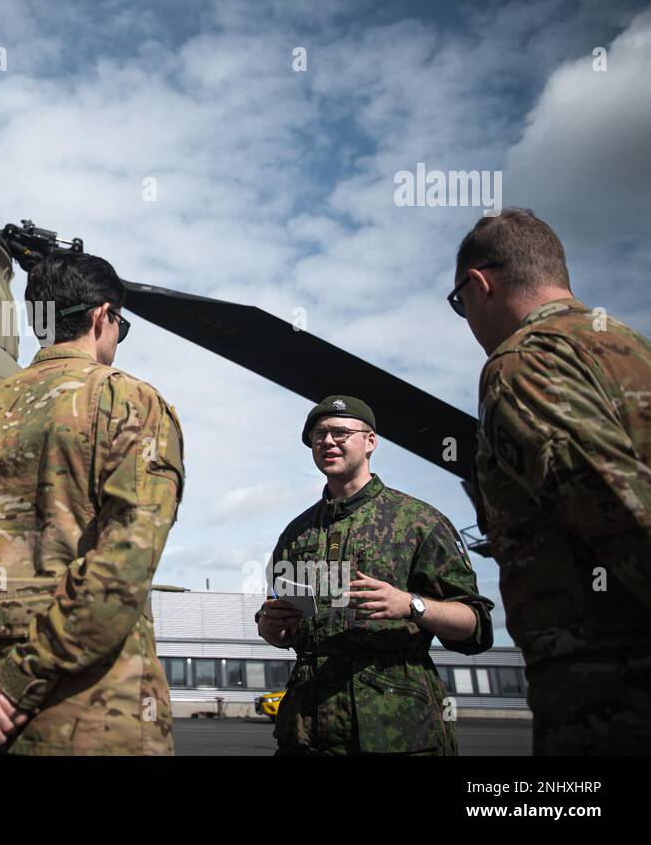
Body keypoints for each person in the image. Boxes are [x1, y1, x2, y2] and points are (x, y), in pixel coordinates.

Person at [0, 251, 185, 755]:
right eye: (122, 324)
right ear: (102, 316)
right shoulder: (130, 404)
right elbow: (122, 567)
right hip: (100, 723)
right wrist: (11, 684)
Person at [452, 207, 651, 754]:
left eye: (458, 304)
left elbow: (618, 511)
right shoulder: (634, 352)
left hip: (611, 689)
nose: (466, 319)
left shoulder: (520, 363)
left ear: (479, 284)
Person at [258, 395, 494, 754]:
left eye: (340, 432)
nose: (327, 442)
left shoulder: (418, 522)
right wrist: (272, 627)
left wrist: (411, 605)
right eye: (318, 435)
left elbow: (476, 626)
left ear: (370, 441)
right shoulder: (297, 532)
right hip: (306, 734)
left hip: (397, 733)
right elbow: (285, 617)